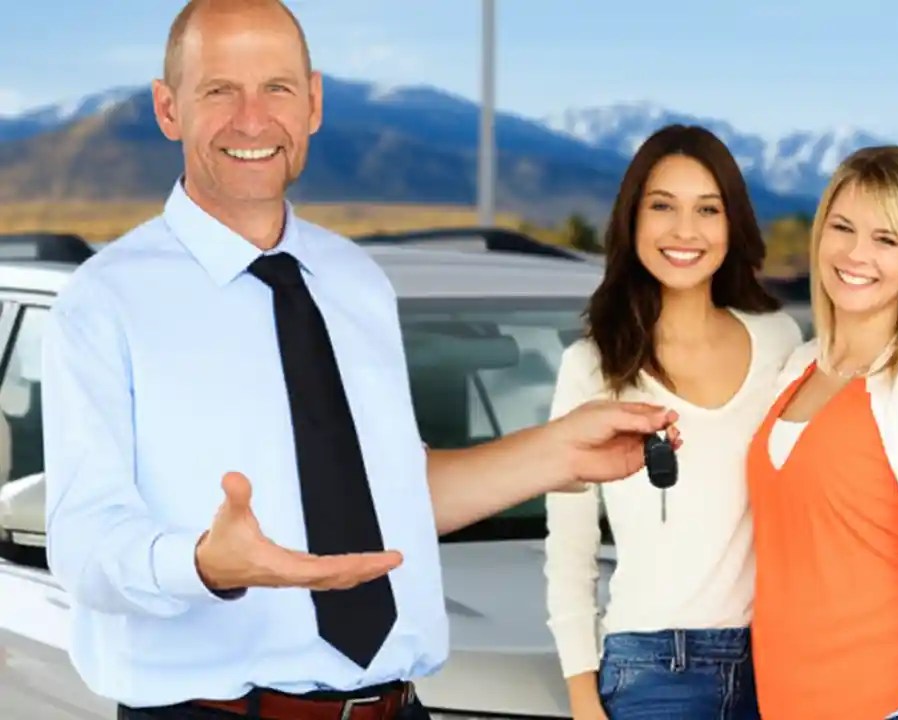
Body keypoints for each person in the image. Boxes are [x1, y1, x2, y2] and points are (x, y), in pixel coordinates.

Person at [39, 2, 679, 719]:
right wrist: (202, 564)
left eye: (277, 88)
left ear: (313, 103)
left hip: (398, 707)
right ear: (168, 108)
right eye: (220, 89)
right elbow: (82, 540)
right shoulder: (104, 301)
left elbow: (390, 499)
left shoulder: (355, 283)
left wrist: (557, 453)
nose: (252, 119)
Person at [543, 124, 802, 720]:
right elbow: (571, 546)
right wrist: (584, 697)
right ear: (632, 220)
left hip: (777, 662)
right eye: (663, 206)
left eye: (707, 209)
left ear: (732, 224)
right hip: (652, 671)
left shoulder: (779, 341)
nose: (685, 231)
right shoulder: (593, 367)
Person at [746, 146, 898, 720]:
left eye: (887, 239)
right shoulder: (796, 368)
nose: (857, 254)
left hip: (895, 708)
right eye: (843, 228)